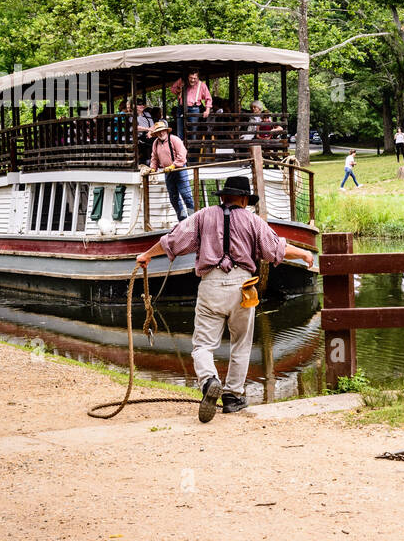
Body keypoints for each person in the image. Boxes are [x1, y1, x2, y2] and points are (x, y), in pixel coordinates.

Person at [135, 176, 316, 419]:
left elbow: (173, 241)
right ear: (243, 199)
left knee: (203, 345)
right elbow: (276, 249)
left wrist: (146, 255)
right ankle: (233, 396)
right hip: (243, 286)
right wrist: (304, 253)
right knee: (241, 342)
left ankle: (209, 380)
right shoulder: (253, 220)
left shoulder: (203, 216)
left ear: (223, 197)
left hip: (211, 284)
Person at [147, 120, 194, 222]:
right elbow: (154, 158)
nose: (161, 133)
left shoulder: (174, 139)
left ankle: (192, 218)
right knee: (174, 199)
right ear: (156, 133)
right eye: (159, 131)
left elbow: (182, 154)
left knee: (186, 196)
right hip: (167, 172)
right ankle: (183, 220)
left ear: (166, 131)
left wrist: (173, 166)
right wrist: (152, 168)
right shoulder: (155, 143)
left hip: (180, 170)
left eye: (163, 131)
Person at [171, 70, 212, 143]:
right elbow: (172, 89)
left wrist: (207, 110)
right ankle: (181, 150)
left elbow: (208, 98)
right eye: (191, 78)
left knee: (193, 131)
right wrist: (179, 89)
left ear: (198, 77)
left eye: (194, 78)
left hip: (194, 108)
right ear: (188, 77)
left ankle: (192, 151)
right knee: (180, 131)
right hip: (181, 108)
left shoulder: (202, 85)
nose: (192, 80)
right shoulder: (181, 81)